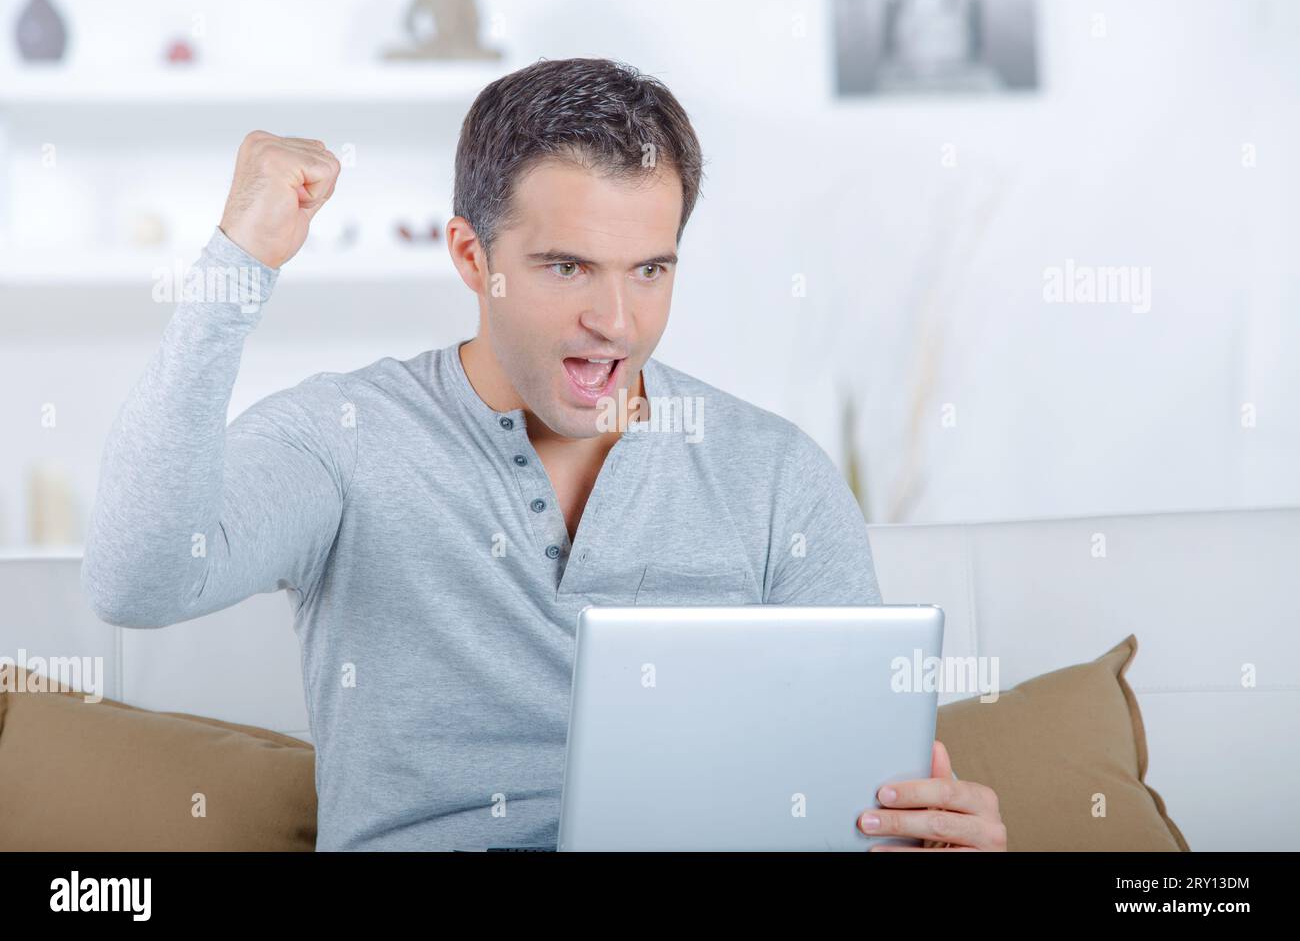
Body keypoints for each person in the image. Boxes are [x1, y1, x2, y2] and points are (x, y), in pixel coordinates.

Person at [82, 57, 1005, 852]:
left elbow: (849, 794)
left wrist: (923, 835)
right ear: (469, 254)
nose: (615, 323)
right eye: (568, 268)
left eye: (650, 269)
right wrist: (238, 265)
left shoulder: (774, 476)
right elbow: (138, 579)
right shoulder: (344, 437)